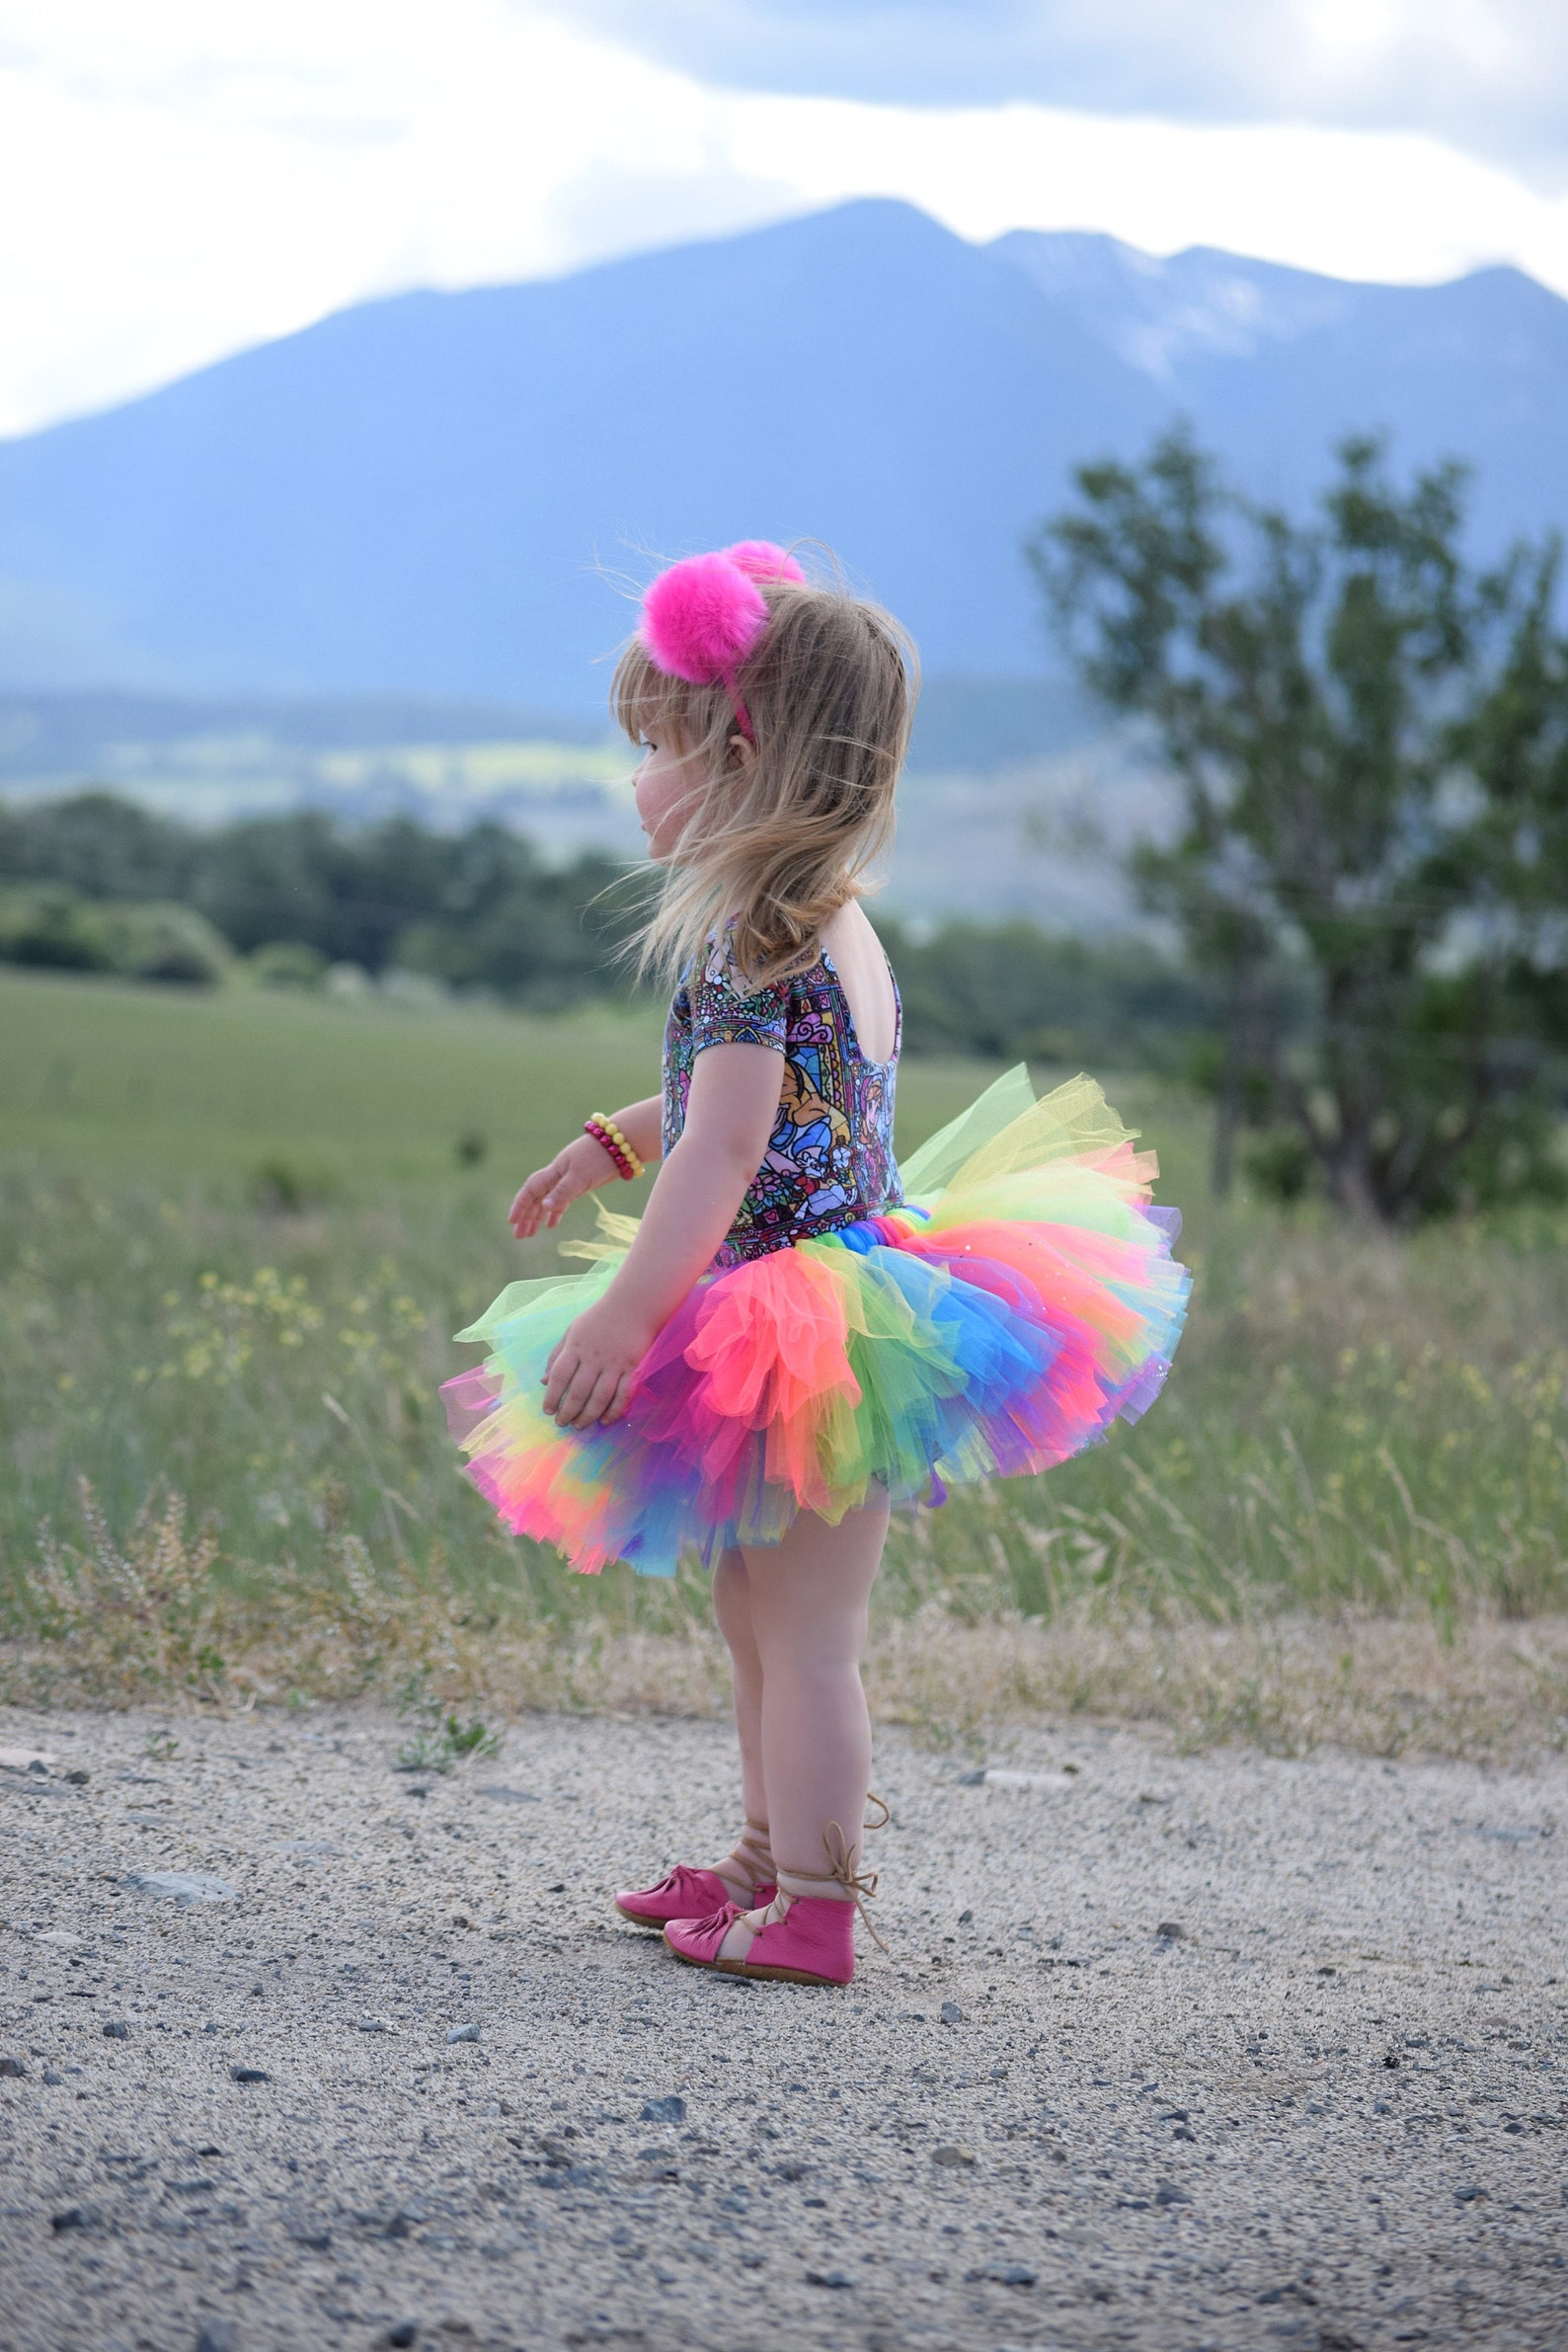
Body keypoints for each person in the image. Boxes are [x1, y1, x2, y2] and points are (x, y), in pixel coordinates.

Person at [441, 541, 1189, 1988]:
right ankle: (765, 1851)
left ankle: (815, 1906)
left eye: (654, 748)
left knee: (809, 1634)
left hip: (806, 1321)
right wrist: (612, 1135)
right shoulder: (822, 921)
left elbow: (725, 1159)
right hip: (836, 1297)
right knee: (761, 1615)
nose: (637, 782)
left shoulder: (748, 937)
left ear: (739, 753)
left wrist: (623, 1308)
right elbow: (772, 1106)